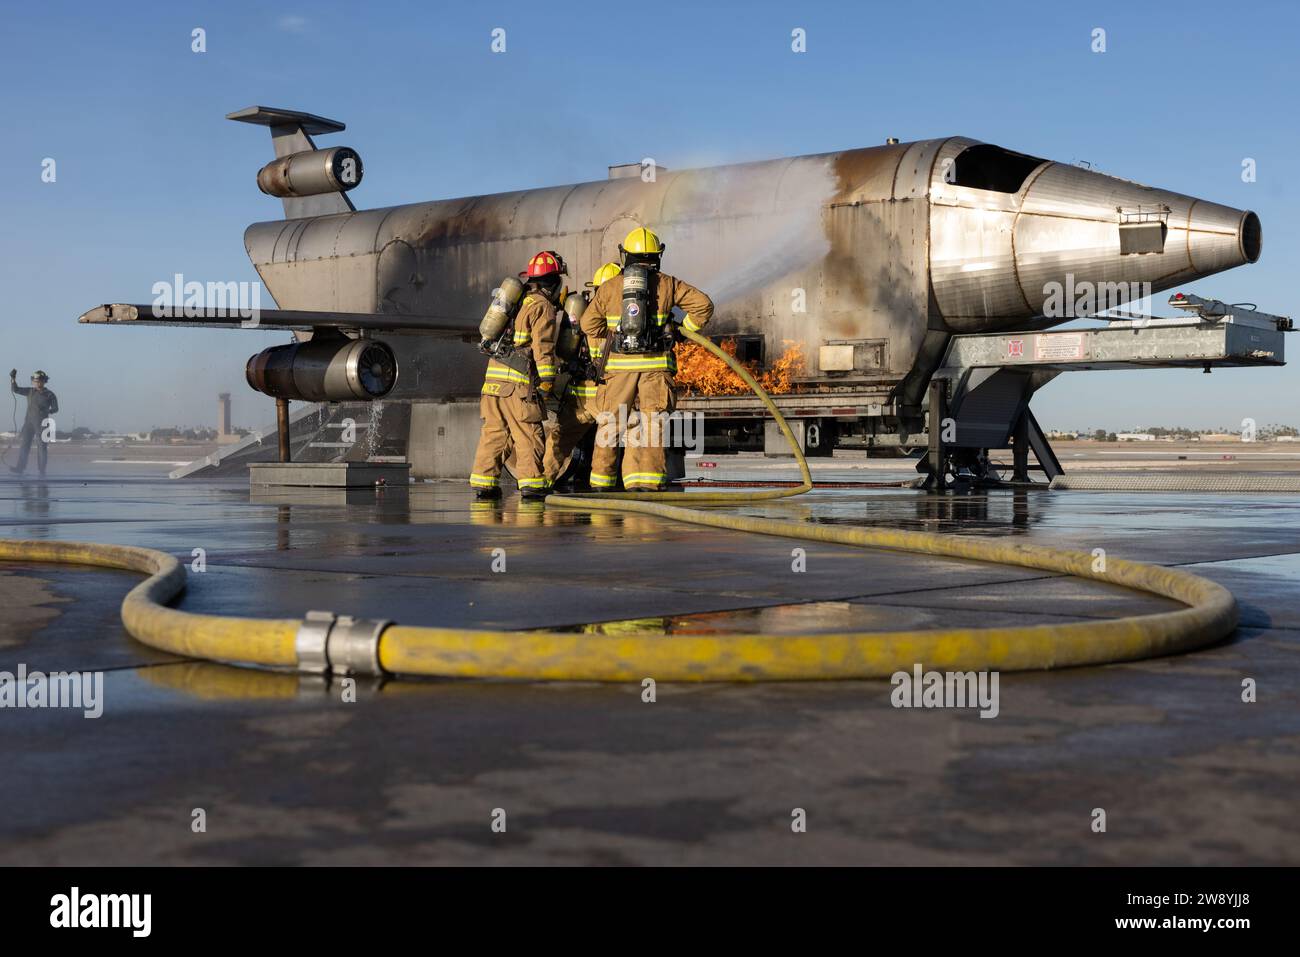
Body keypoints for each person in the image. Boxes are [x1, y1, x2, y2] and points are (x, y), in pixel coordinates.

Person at [579, 227, 713, 491]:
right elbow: (704, 305)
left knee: (611, 425)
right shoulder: (668, 283)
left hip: (618, 371)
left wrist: (613, 332)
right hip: (656, 369)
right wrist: (680, 330)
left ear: (625, 255)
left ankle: (601, 483)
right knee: (652, 425)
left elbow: (587, 324)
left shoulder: (610, 287)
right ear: (657, 255)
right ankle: (646, 485)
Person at [468, 252, 563, 501]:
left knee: (494, 433)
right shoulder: (543, 307)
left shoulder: (517, 300)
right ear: (553, 283)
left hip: (492, 383)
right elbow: (543, 348)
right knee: (528, 433)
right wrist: (546, 382)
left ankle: (484, 483)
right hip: (518, 387)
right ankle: (532, 484)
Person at [542, 262, 621, 490]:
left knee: (561, 439)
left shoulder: (583, 313)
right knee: (608, 440)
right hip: (605, 392)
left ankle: (542, 481)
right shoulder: (619, 318)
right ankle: (602, 486)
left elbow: (566, 352)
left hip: (579, 394)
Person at [8, 369, 58, 477]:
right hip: (29, 423)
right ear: (33, 381)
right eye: (35, 381)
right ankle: (20, 468)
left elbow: (55, 408)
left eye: (40, 381)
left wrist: (46, 410)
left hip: (43, 423)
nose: (37, 383)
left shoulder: (50, 394)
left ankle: (42, 471)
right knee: (24, 445)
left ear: (44, 381)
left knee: (42, 447)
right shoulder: (30, 391)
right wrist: (13, 378)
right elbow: (15, 389)